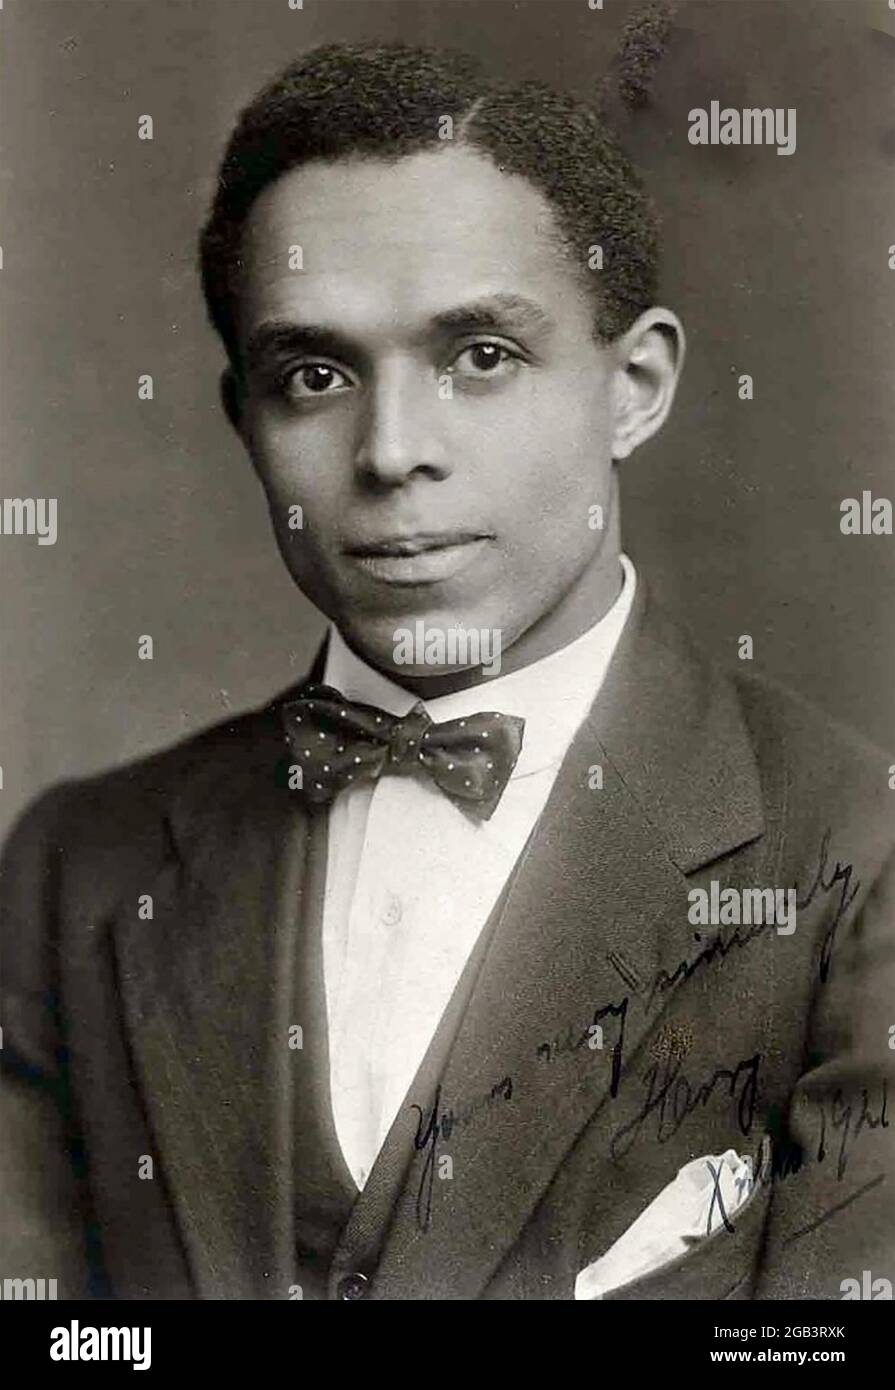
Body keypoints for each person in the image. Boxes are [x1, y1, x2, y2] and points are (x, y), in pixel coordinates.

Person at [1, 41, 892, 1302]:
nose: (392, 452)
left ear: (631, 386)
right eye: (314, 375)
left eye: (479, 357)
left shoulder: (859, 856)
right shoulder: (73, 872)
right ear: (241, 418)